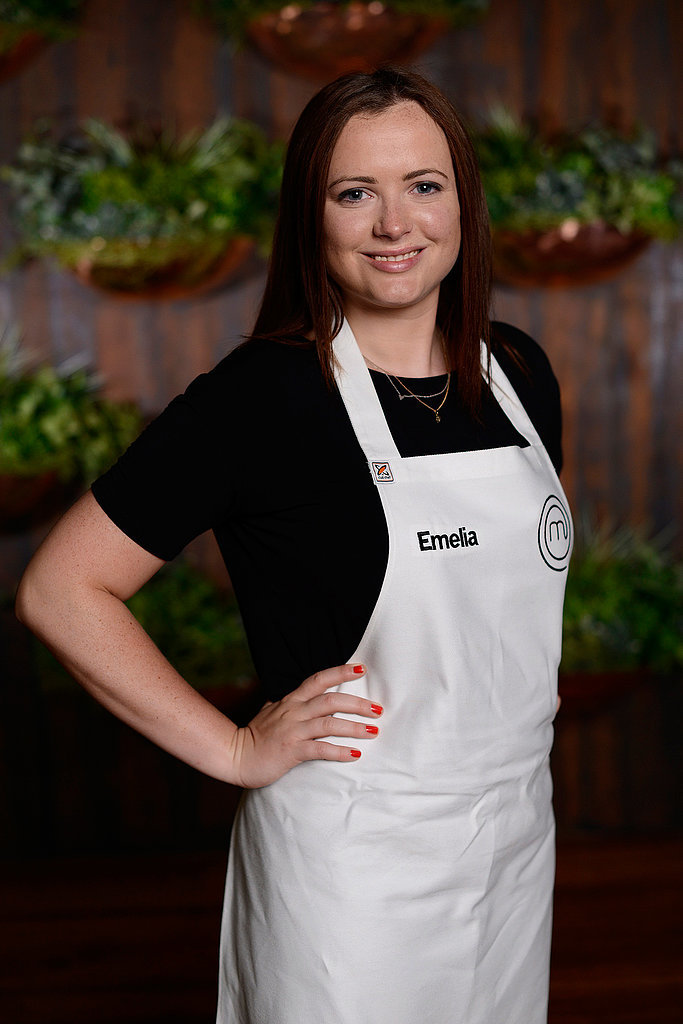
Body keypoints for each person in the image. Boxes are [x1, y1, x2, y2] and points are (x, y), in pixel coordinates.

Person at [16, 68, 572, 1023]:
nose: (395, 223)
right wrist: (234, 751)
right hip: (351, 864)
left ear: (462, 203)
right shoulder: (265, 396)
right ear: (311, 217)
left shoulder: (514, 369)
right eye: (354, 193)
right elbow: (62, 590)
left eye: (423, 186)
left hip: (513, 834)